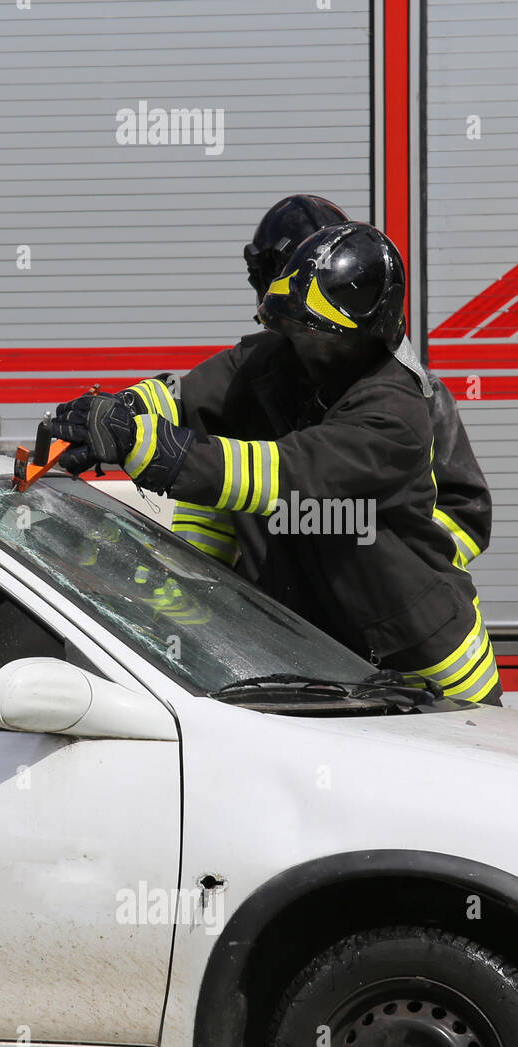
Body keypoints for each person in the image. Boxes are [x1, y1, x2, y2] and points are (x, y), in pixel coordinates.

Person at [50, 221, 501, 705]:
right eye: (295, 326)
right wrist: (119, 413)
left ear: (365, 338)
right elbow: (182, 395)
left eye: (317, 332)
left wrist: (162, 454)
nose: (301, 342)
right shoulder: (269, 361)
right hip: (313, 651)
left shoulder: (396, 411)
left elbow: (289, 472)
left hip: (425, 663)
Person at [171, 194, 490, 573]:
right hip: (270, 616)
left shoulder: (412, 396)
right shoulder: (255, 380)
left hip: (363, 616)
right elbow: (216, 502)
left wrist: (395, 573)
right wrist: (197, 586)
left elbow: (464, 512)